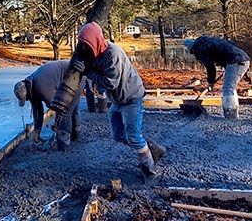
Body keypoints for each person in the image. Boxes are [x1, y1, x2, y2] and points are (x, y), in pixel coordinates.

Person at [50, 22, 166, 179]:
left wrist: (88, 72)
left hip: (131, 98)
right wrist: (82, 66)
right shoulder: (96, 54)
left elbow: (110, 83)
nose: (85, 48)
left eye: (87, 44)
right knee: (118, 135)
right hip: (118, 100)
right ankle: (152, 149)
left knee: (133, 136)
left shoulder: (113, 54)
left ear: (95, 40)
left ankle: (150, 171)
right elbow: (95, 71)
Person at [13, 60, 81, 148]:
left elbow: (59, 107)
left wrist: (56, 126)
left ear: (27, 94)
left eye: (26, 98)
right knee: (70, 110)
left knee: (66, 113)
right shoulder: (30, 84)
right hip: (68, 76)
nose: (27, 100)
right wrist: (37, 132)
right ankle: (74, 138)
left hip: (75, 74)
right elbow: (37, 111)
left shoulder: (42, 88)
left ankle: (65, 145)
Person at [182, 35, 250, 118]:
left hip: (236, 61)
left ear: (192, 49)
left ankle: (230, 115)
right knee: (230, 88)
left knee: (228, 88)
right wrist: (226, 64)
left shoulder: (201, 49)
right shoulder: (209, 42)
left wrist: (210, 82)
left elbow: (210, 67)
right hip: (241, 59)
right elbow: (229, 47)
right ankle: (233, 114)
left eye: (192, 53)